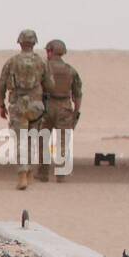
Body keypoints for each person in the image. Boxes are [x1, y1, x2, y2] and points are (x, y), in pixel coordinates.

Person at [0, 29, 48, 189]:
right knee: (32, 139)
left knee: (20, 141)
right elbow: (49, 84)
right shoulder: (40, 62)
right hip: (36, 106)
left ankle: (22, 175)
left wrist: (1, 104)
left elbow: (0, 87)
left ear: (20, 42)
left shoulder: (12, 62)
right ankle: (29, 171)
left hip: (18, 105)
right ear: (34, 43)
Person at [41, 39, 82, 184]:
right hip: (65, 107)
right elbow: (77, 94)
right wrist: (76, 112)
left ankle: (43, 173)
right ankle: (61, 174)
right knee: (63, 142)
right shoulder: (71, 70)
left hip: (46, 107)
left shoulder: (43, 68)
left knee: (43, 140)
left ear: (50, 51)